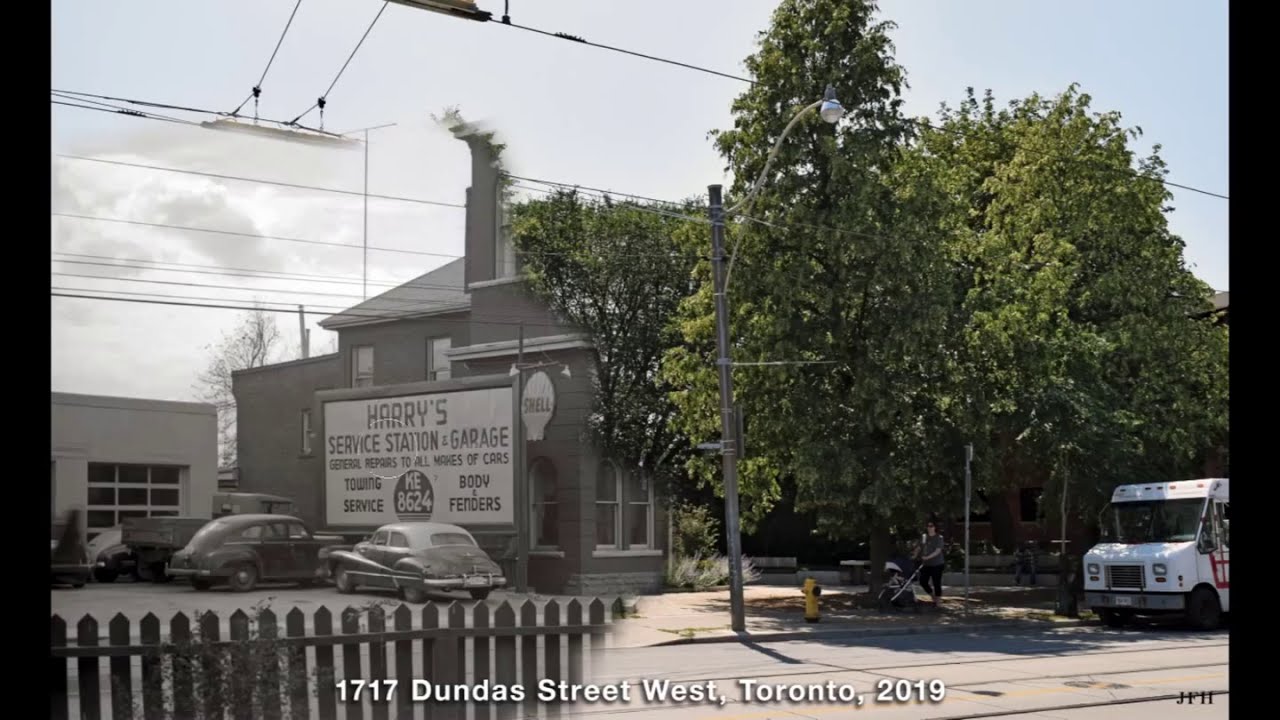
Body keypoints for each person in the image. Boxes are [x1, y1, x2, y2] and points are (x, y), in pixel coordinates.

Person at [915, 519, 946, 610]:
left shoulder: (939, 537)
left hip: (937, 564)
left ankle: (938, 602)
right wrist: (915, 554)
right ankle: (933, 597)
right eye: (928, 526)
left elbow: (938, 551)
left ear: (935, 527)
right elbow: (919, 547)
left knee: (936, 582)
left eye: (931, 526)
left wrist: (927, 557)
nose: (929, 528)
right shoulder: (924, 537)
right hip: (926, 564)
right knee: (923, 581)